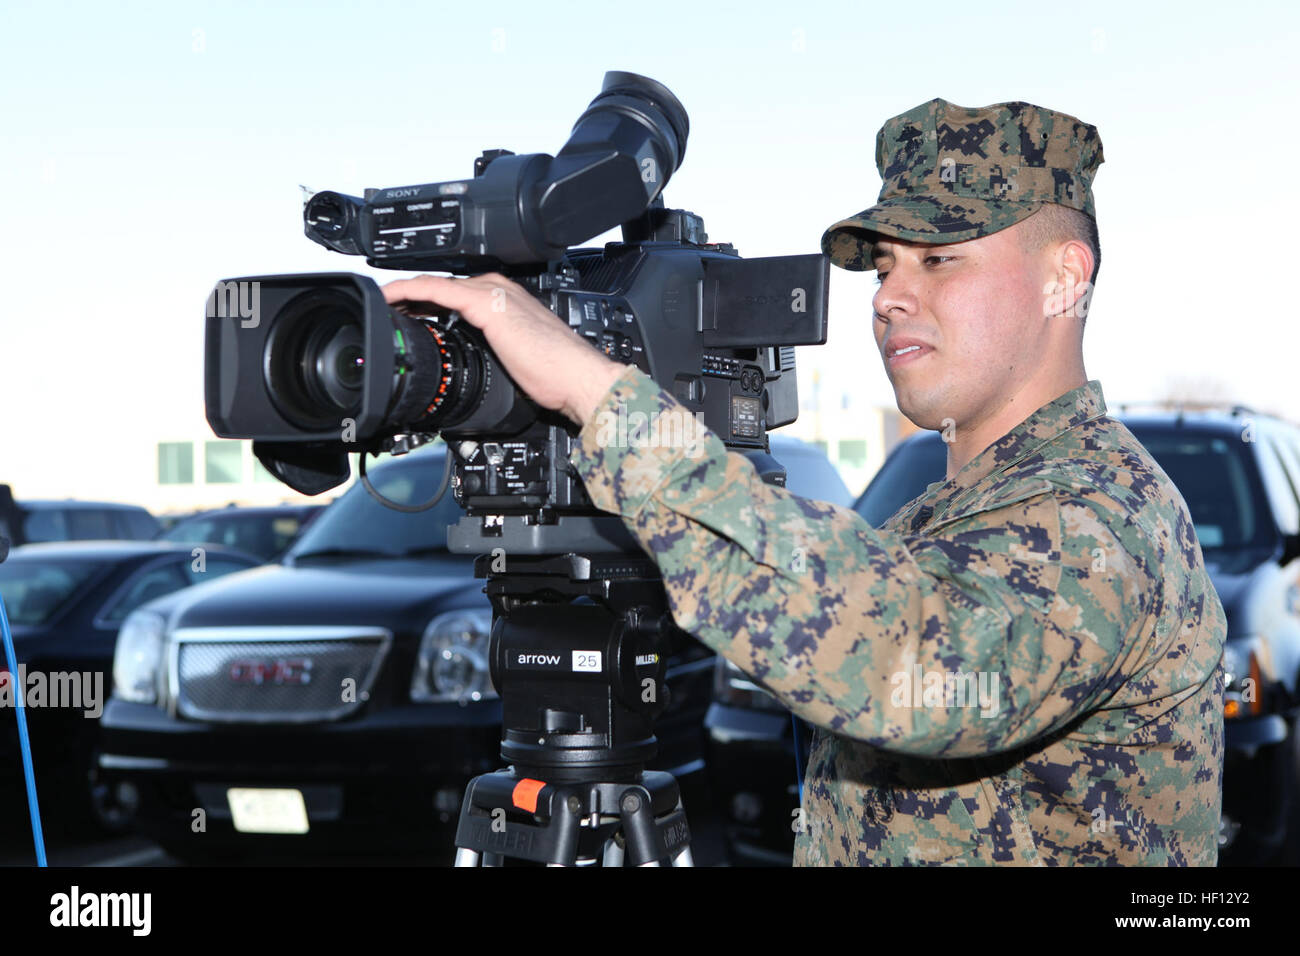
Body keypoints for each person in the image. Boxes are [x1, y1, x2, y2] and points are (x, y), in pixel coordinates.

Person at [380, 97, 1226, 866]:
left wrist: (594, 392)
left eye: (938, 259)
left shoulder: (1101, 513)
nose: (890, 295)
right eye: (885, 266)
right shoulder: (948, 516)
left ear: (1064, 278)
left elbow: (909, 664)